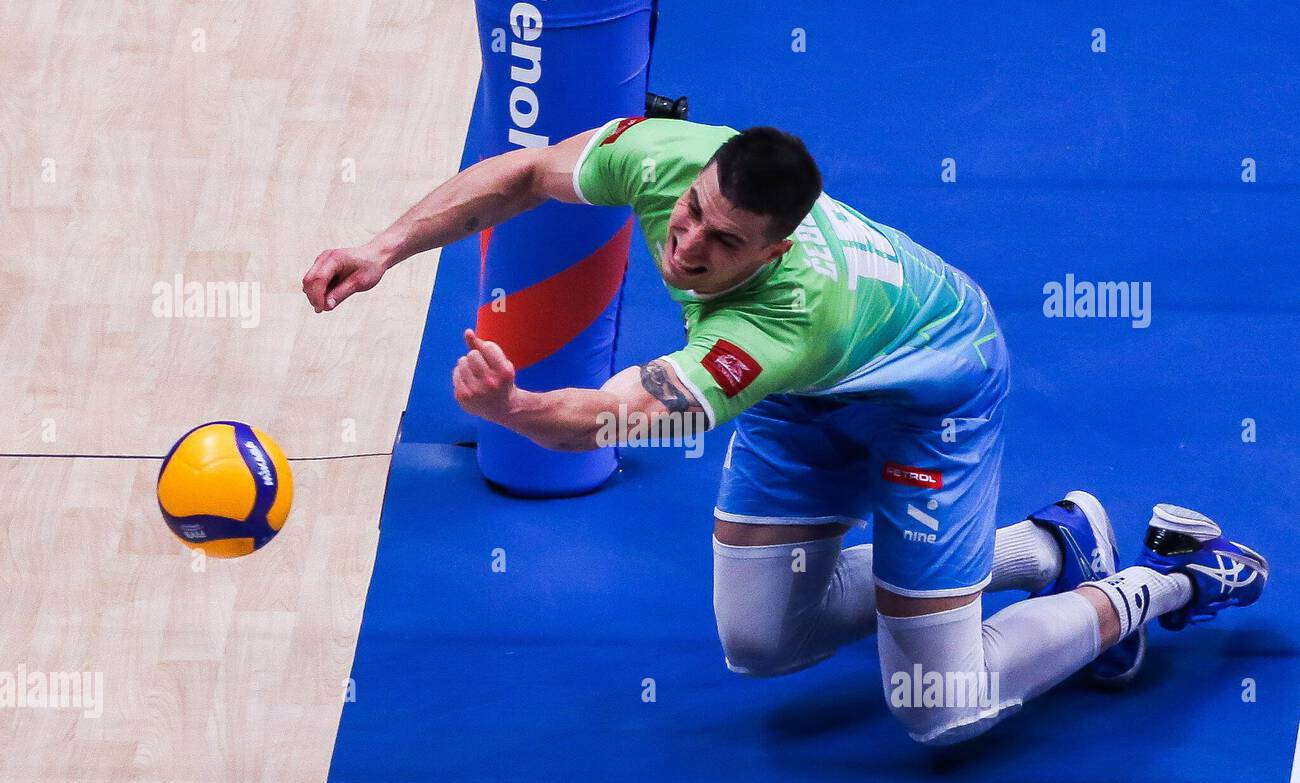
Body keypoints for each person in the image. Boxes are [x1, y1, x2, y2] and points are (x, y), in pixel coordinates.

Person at [303, 117, 1269, 745]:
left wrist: (511, 412)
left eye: (724, 244)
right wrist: (383, 246)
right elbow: (521, 173)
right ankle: (1051, 541)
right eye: (689, 215)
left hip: (934, 398)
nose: (686, 245)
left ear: (777, 247)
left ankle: (1164, 580)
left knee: (940, 708)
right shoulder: (672, 156)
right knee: (764, 641)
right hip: (812, 403)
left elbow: (611, 422)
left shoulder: (779, 322)